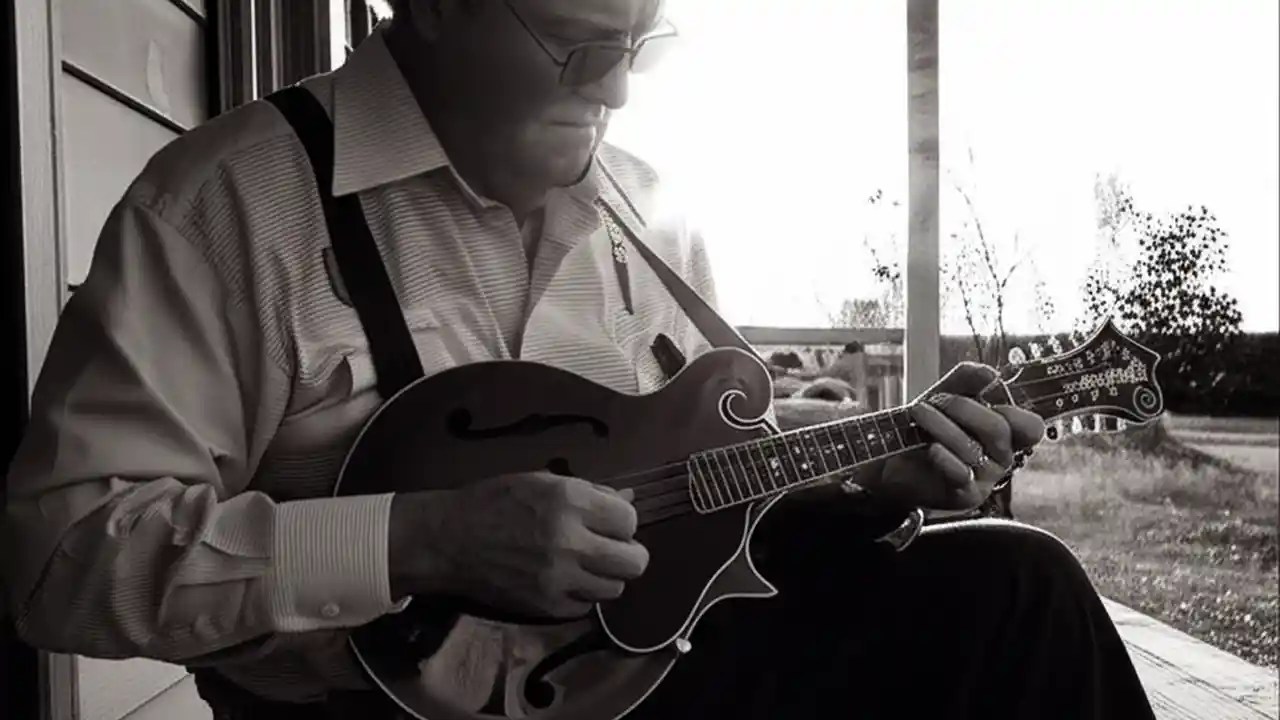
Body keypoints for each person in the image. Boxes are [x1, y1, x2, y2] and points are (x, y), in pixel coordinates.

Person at [2, 1, 1158, 718]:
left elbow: (712, 474)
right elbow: (58, 558)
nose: (611, 89)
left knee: (1014, 590)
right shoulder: (226, 207)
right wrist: (419, 539)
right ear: (437, 6)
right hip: (365, 714)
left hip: (656, 679)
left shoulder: (652, 217)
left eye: (636, 45)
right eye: (575, 47)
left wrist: (872, 468)